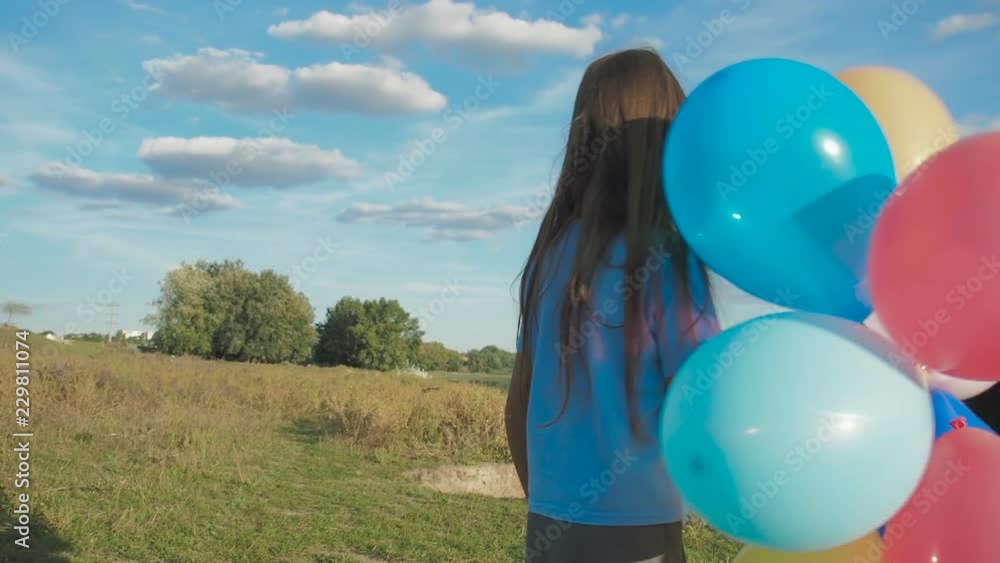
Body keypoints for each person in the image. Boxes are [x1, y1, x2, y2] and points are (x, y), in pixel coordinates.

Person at [505, 48, 719, 563]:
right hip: (640, 532)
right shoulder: (665, 259)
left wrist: (549, 502)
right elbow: (711, 395)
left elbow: (517, 405)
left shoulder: (549, 256)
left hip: (549, 526)